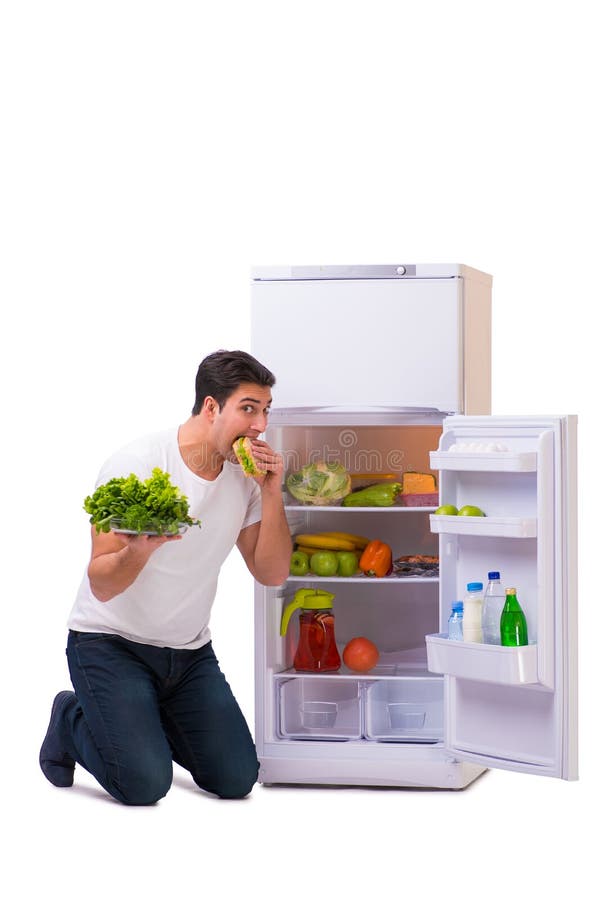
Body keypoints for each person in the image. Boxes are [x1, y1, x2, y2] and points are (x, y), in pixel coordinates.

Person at [40, 350, 292, 805]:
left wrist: (271, 491)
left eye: (265, 410)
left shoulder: (244, 480)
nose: (260, 425)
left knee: (237, 778)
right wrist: (137, 551)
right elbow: (101, 582)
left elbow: (271, 572)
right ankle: (71, 717)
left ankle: (141, 723)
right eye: (249, 408)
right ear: (212, 407)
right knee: (143, 785)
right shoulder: (136, 463)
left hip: (189, 655)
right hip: (110, 645)